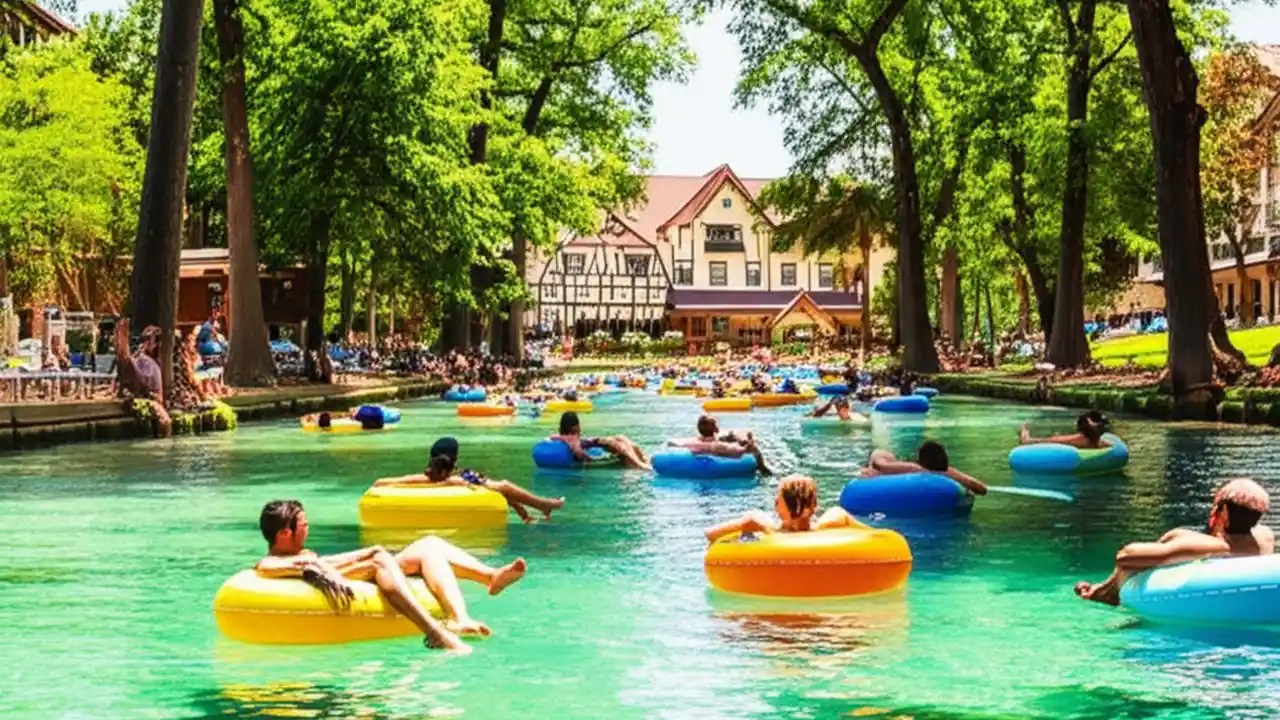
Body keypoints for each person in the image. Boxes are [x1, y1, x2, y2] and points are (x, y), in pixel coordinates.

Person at [254, 499, 527, 652]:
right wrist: (367, 555)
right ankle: (435, 633)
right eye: (303, 524)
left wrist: (366, 551)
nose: (308, 527)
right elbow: (272, 568)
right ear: (284, 534)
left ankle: (481, 588)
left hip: (348, 573)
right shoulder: (271, 562)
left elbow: (324, 562)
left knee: (430, 545)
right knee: (380, 558)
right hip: (347, 582)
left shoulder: (302, 553)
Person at [1075, 478, 1274, 606]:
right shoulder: (1265, 537)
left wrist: (1177, 541)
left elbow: (1126, 557)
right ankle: (1105, 588)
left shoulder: (1206, 544)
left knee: (1170, 540)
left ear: (1222, 512)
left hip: (1200, 591)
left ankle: (1106, 592)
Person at [376, 437, 565, 523]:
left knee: (499, 486)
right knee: (502, 485)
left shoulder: (423, 477)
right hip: (467, 497)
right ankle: (543, 504)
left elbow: (379, 483)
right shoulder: (461, 478)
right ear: (454, 460)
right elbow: (502, 490)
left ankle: (539, 507)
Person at [704, 475, 858, 542]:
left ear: (778, 506)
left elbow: (710, 534)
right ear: (814, 506)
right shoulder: (831, 523)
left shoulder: (761, 525)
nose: (775, 502)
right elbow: (877, 536)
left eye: (778, 500)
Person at [859, 441, 989, 495]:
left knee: (879, 455)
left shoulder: (913, 468)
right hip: (883, 462)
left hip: (882, 462)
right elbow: (981, 488)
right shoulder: (949, 472)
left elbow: (880, 464)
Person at [670, 414, 774, 475]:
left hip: (702, 454)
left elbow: (672, 443)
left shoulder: (694, 442)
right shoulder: (718, 445)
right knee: (752, 447)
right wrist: (748, 444)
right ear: (715, 428)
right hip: (720, 456)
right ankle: (764, 469)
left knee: (732, 434)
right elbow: (740, 451)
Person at [551, 411, 650, 470]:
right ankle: (640, 463)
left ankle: (642, 459)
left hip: (588, 442)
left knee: (620, 437)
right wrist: (597, 459)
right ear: (575, 426)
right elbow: (579, 453)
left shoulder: (562, 436)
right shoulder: (572, 439)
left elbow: (553, 438)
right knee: (617, 441)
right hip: (589, 444)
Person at [1019, 411, 1110, 449]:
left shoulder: (1084, 438)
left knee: (1052, 439)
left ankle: (1027, 438)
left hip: (1076, 441)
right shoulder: (1093, 439)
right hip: (1076, 441)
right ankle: (1027, 438)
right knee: (1054, 439)